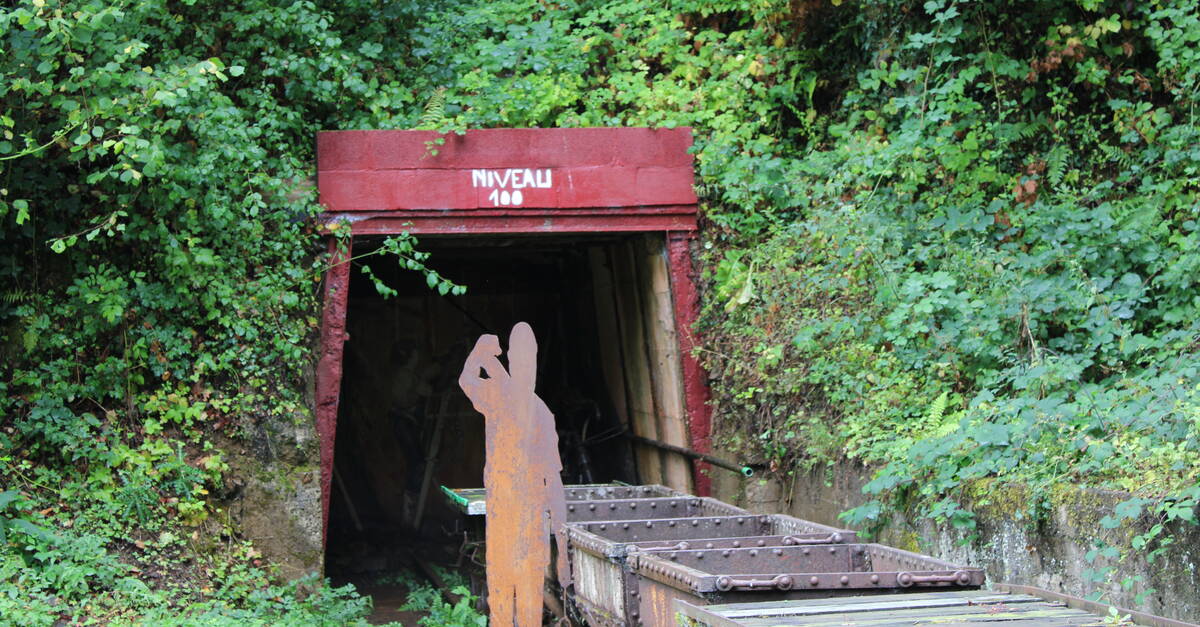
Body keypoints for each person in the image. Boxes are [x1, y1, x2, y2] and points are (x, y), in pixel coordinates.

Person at [459, 322, 568, 627]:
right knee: (502, 601)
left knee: (529, 601)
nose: (526, 366)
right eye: (519, 359)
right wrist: (479, 352)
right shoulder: (497, 395)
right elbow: (466, 380)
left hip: (530, 524)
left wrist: (563, 549)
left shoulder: (541, 413)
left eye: (529, 359)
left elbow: (554, 481)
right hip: (503, 519)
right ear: (511, 362)